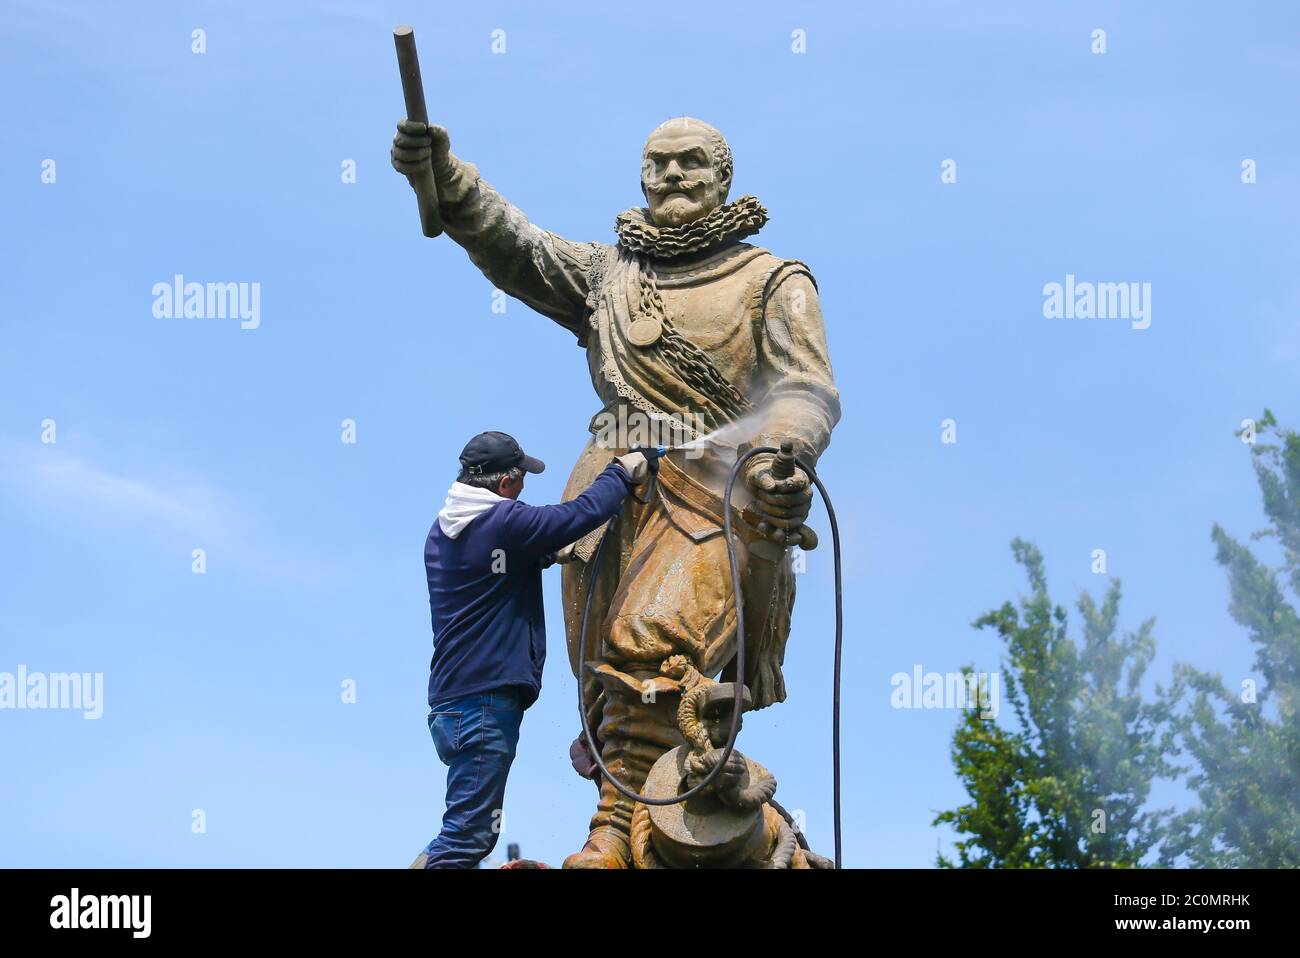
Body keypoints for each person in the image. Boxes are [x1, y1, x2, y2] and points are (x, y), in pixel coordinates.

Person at [415, 430, 647, 869]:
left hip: (453, 705)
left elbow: (487, 567)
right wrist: (621, 472)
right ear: (504, 484)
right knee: (468, 836)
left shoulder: (446, 528)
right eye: (521, 479)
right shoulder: (504, 522)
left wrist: (538, 555)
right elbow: (580, 513)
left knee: (465, 826)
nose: (524, 487)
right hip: (482, 703)